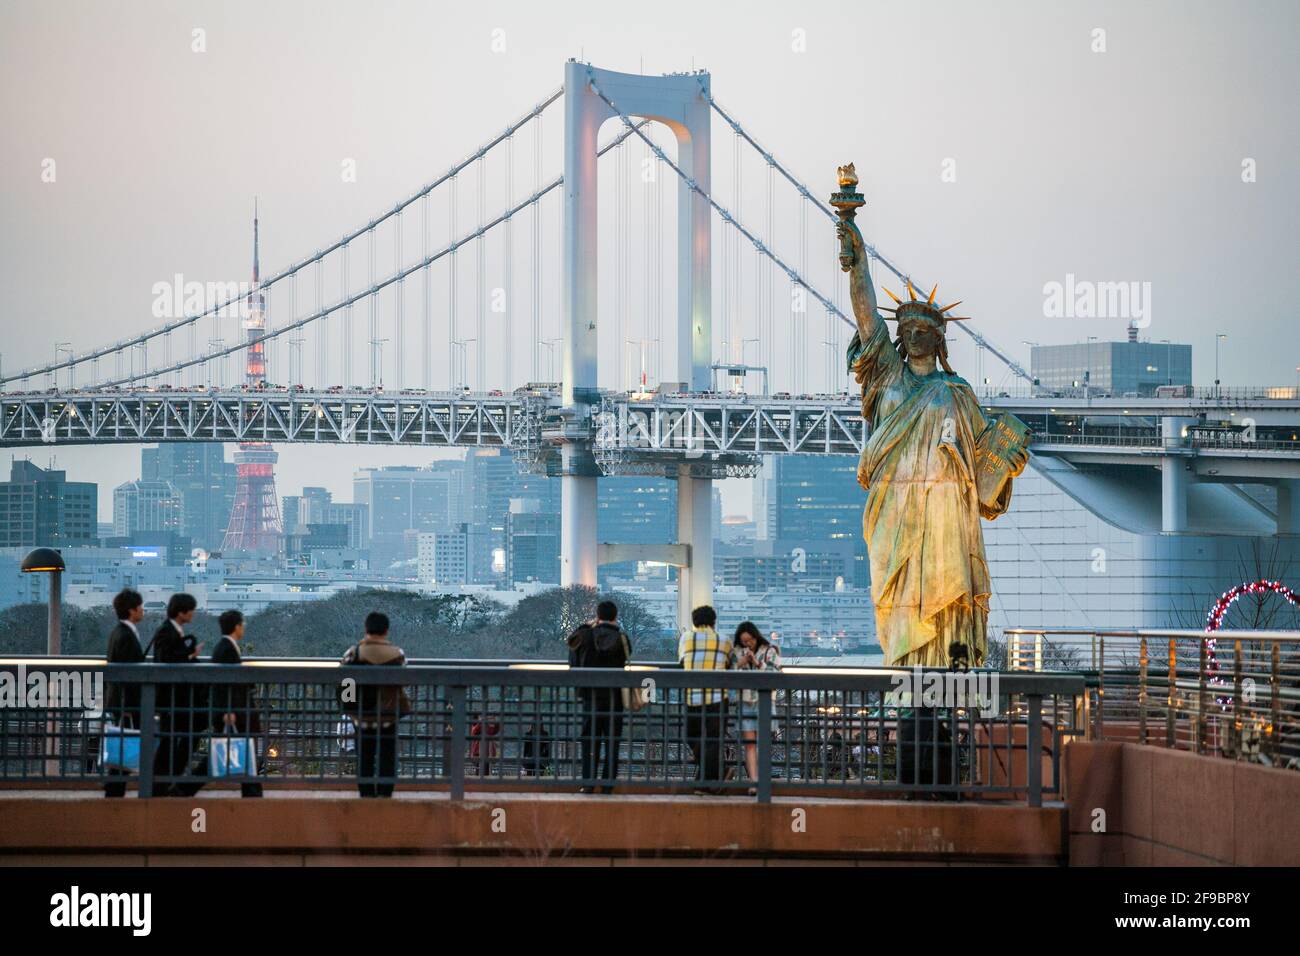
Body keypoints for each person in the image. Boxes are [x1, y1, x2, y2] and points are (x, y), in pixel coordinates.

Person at [340, 612, 409, 798]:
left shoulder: (353, 653)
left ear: (366, 629)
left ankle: (366, 794)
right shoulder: (397, 654)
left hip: (362, 715)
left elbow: (344, 681)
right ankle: (386, 793)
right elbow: (404, 681)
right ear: (386, 630)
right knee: (388, 756)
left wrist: (351, 708)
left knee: (364, 755)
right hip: (388, 715)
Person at [567, 600, 631, 794]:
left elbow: (572, 655)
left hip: (590, 696)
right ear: (615, 617)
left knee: (589, 740)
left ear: (597, 616)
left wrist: (586, 626)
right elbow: (626, 659)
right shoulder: (622, 638)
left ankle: (588, 783)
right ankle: (608, 784)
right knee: (612, 741)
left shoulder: (585, 636)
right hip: (614, 697)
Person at [151, 592, 204, 797]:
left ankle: (165, 781)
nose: (193, 613)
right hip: (171, 698)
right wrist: (190, 655)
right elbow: (168, 660)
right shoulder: (167, 632)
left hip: (174, 698)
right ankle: (162, 782)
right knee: (172, 740)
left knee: (172, 739)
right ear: (182, 612)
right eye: (191, 610)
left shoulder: (170, 630)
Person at [678, 605, 732, 795]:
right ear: (713, 622)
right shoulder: (724, 640)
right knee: (712, 740)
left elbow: (682, 662)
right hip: (718, 696)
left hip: (693, 695)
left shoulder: (686, 638)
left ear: (694, 621)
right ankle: (715, 775)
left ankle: (707, 780)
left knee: (691, 735)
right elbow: (727, 664)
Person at [209, 610, 262, 798]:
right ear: (237, 626)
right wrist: (228, 710)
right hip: (235, 711)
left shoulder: (224, 647)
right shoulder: (227, 649)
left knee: (229, 749)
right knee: (244, 749)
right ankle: (252, 792)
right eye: (242, 624)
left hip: (235, 710)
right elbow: (226, 685)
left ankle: (252, 791)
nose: (244, 628)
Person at [729, 621, 781, 795]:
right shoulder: (736, 653)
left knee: (763, 743)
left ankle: (763, 781)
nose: (748, 644)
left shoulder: (769, 651)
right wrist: (740, 663)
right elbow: (726, 676)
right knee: (749, 745)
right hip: (744, 701)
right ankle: (754, 781)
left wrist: (758, 663)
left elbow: (777, 675)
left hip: (764, 701)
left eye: (750, 640)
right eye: (744, 641)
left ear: (756, 636)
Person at [103, 588, 146, 798]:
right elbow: (130, 672)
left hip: (118, 700)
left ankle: (114, 788)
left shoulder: (117, 633)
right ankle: (115, 789)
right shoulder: (127, 636)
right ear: (132, 610)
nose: (142, 610)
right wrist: (129, 705)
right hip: (127, 703)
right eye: (140, 607)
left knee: (122, 745)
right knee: (126, 745)